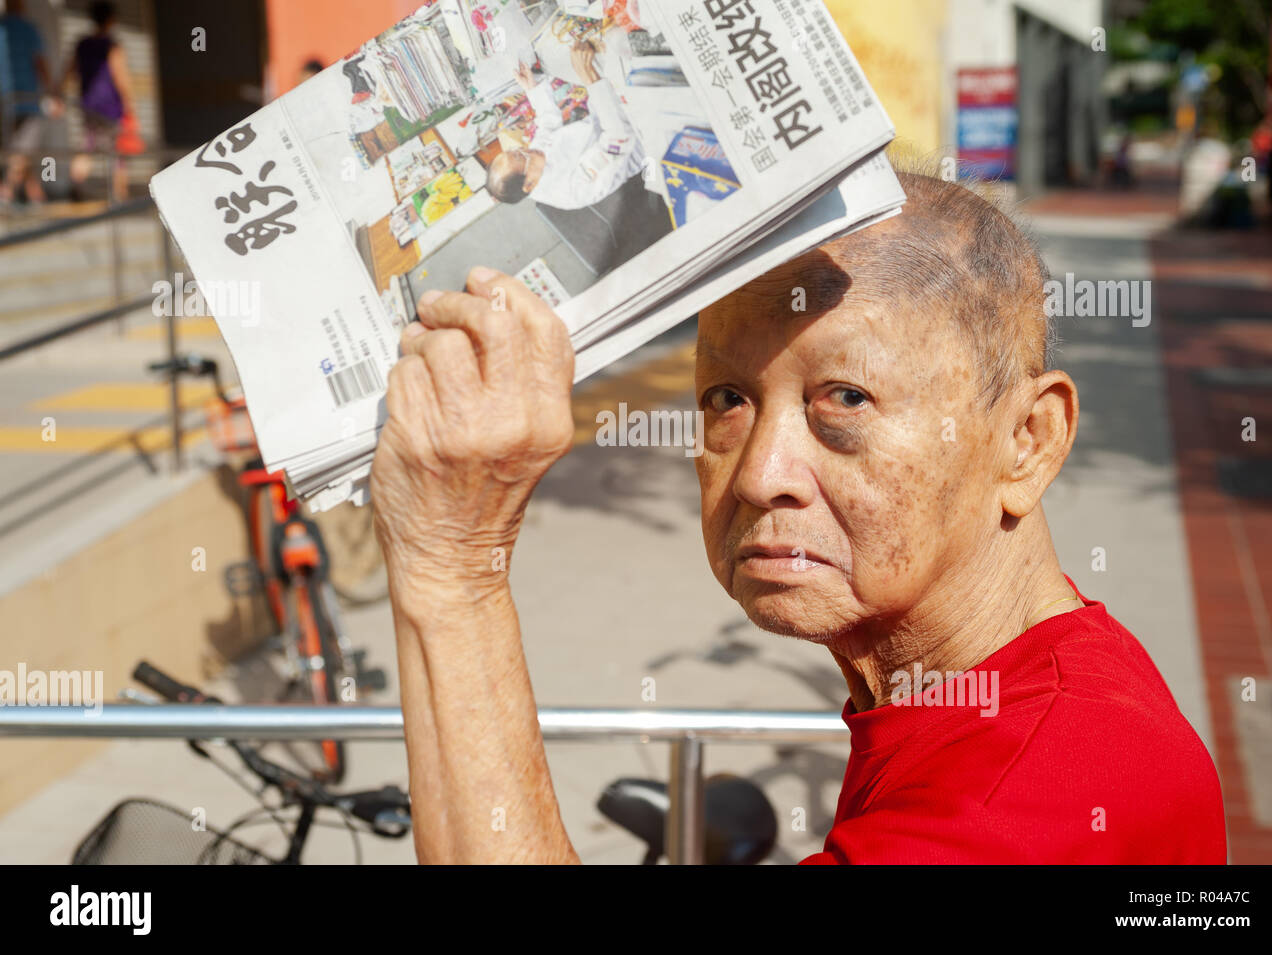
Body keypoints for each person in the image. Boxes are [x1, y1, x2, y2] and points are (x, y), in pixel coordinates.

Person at [369, 168, 1228, 865]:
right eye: (727, 398)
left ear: (1028, 441)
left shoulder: (1026, 796)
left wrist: (454, 562)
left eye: (845, 397)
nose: (760, 474)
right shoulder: (1015, 688)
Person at [486, 40, 647, 211]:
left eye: (516, 150)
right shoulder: (572, 190)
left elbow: (548, 124)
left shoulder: (532, 160)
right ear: (529, 184)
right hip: (643, 134)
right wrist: (589, 76)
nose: (526, 149)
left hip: (610, 111)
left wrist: (532, 89)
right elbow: (619, 137)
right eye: (521, 157)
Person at [54, 0, 134, 202]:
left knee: (88, 146)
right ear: (111, 20)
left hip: (88, 105)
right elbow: (121, 77)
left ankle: (76, 183)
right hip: (110, 108)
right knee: (117, 152)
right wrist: (130, 107)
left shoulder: (82, 44)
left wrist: (57, 95)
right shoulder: (112, 45)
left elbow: (68, 72)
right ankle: (120, 195)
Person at [0, 0, 53, 205]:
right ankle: (5, 192)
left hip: (4, 102)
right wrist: (51, 93)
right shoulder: (28, 29)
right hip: (28, 101)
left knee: (22, 154)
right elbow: (40, 62)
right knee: (22, 154)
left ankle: (37, 197)